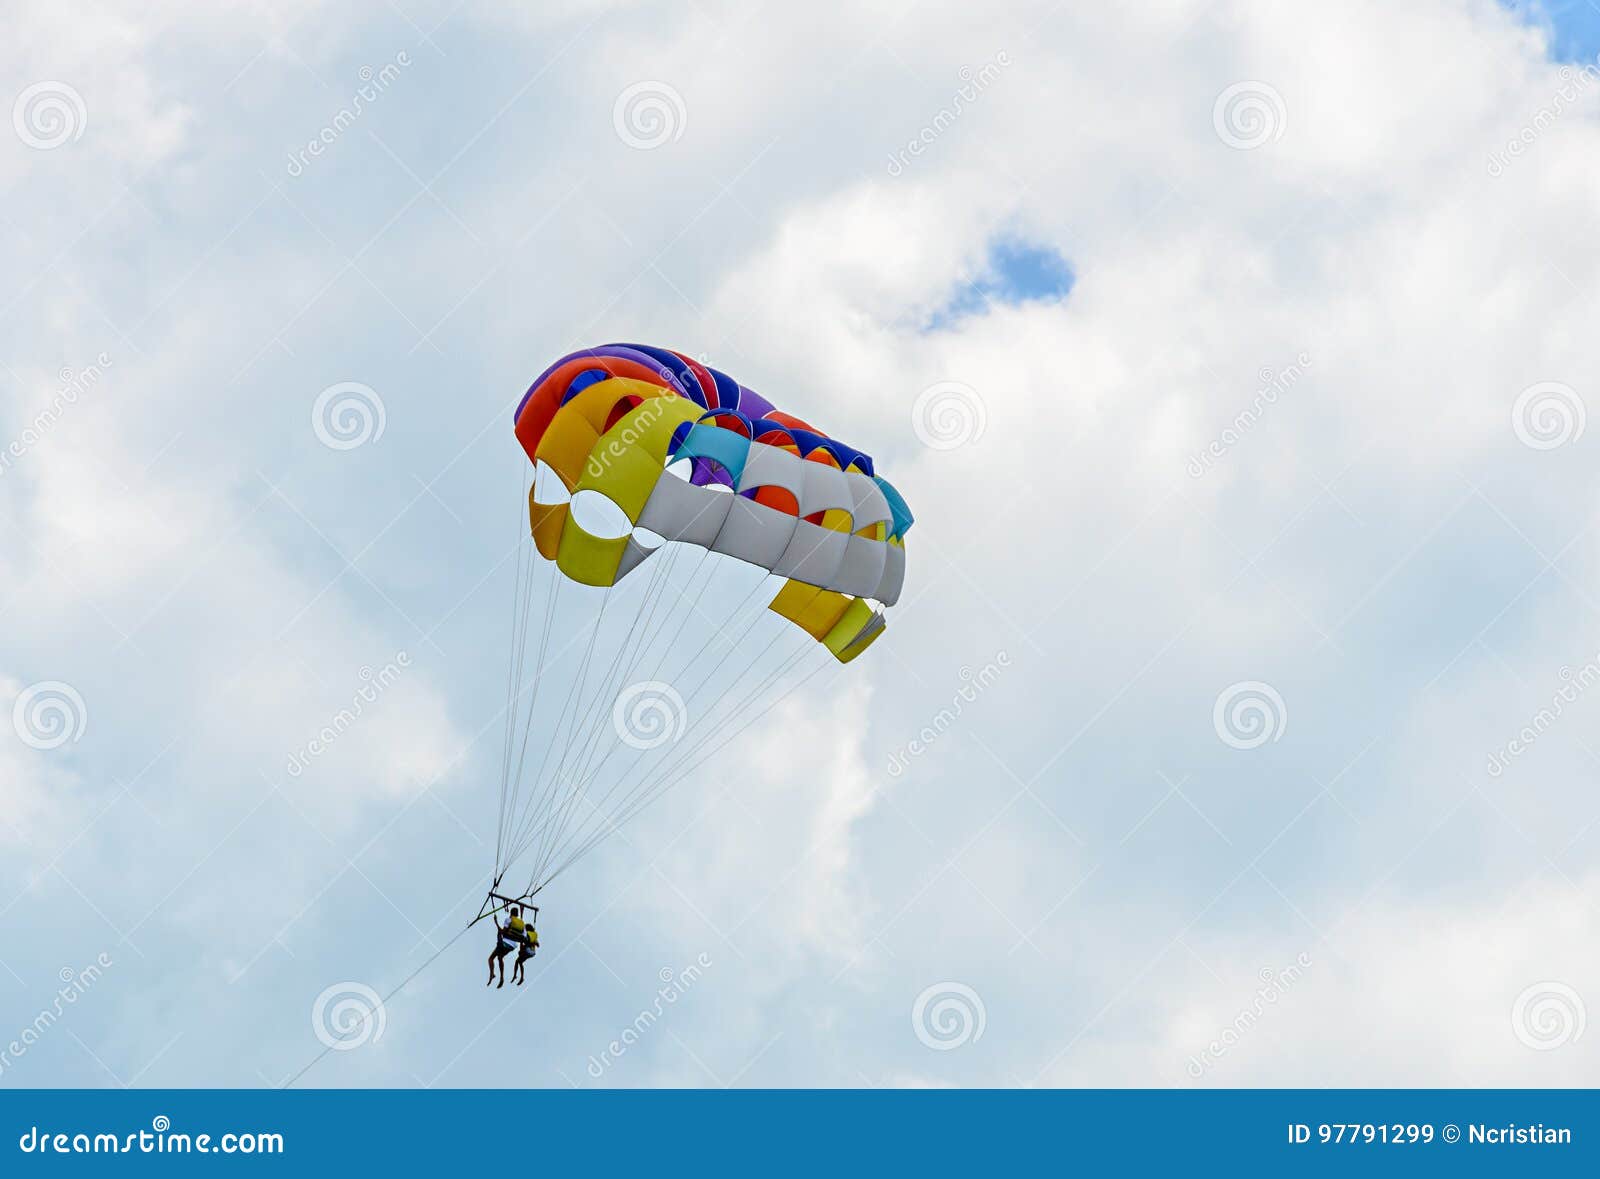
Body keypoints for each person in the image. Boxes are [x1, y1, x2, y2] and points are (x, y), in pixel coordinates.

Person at [486, 905, 523, 989]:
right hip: (512, 946)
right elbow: (523, 936)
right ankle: (501, 977)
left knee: (491, 958)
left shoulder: (508, 920)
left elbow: (502, 932)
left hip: (504, 943)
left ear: (511, 913)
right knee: (500, 957)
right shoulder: (521, 924)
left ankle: (492, 974)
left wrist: (496, 922)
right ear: (517, 914)